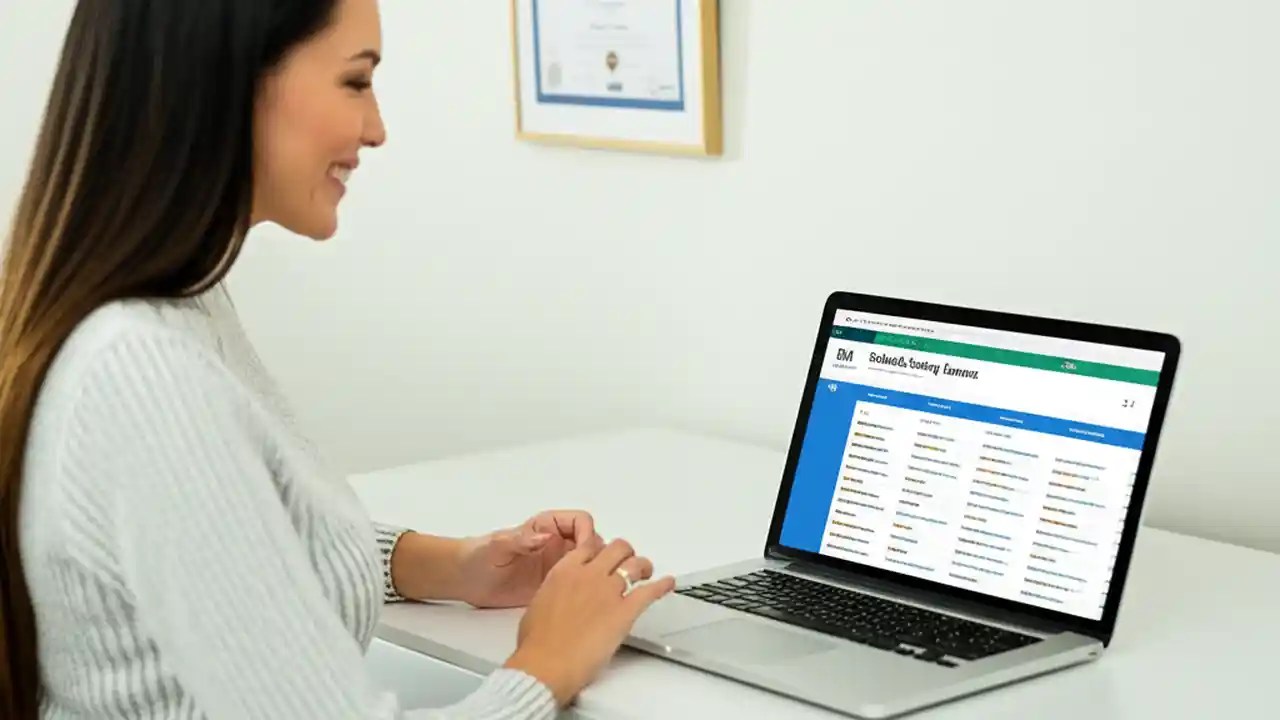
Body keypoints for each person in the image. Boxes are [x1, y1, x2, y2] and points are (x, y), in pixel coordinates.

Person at [0, 0, 675, 718]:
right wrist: (545, 664)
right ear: (228, 83)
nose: (377, 129)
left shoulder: (172, 311)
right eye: (356, 82)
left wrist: (458, 565)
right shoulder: (143, 372)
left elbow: (237, 550)